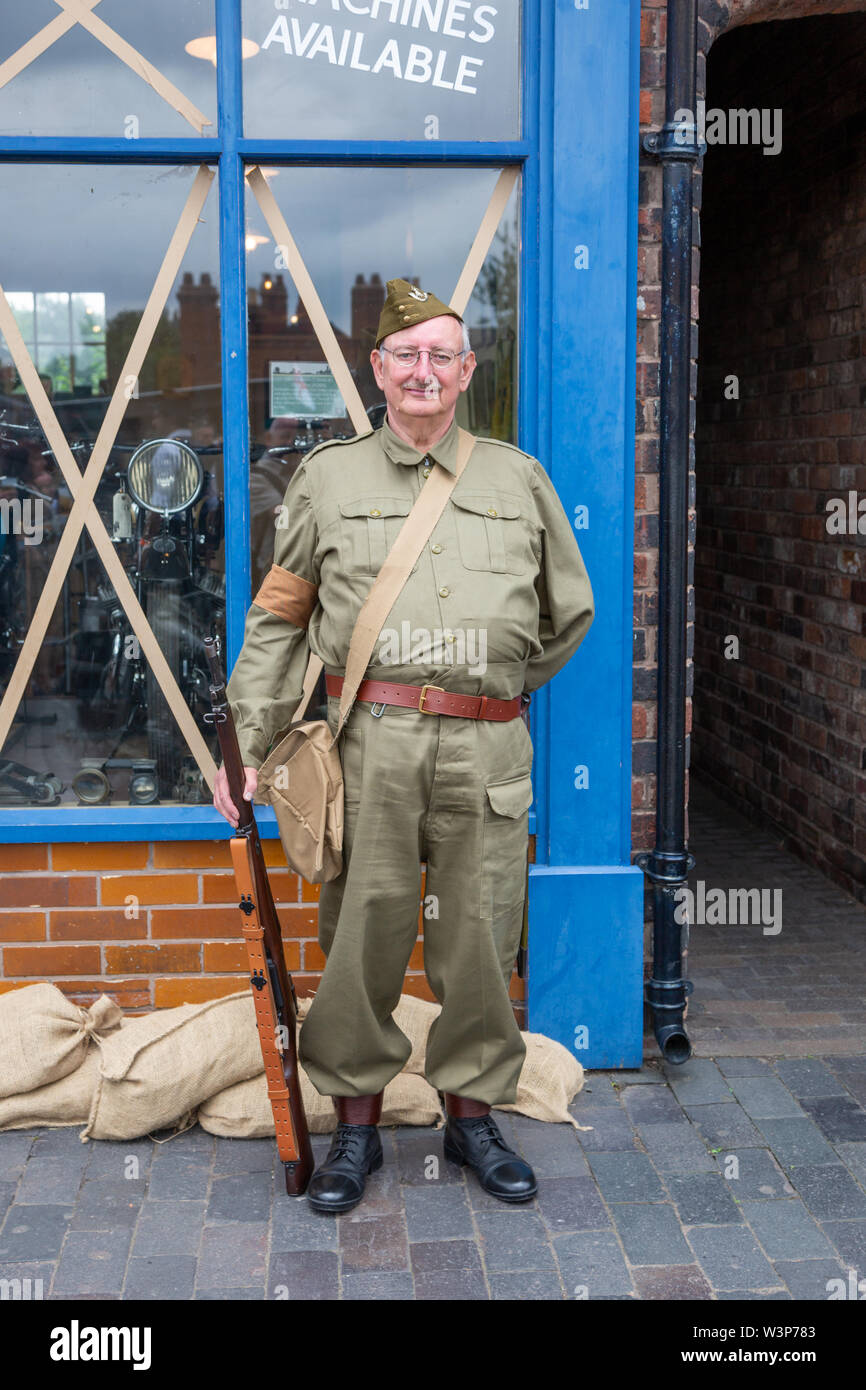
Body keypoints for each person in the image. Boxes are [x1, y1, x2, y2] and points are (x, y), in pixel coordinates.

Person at [214, 279, 594, 1214]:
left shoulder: (518, 478)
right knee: (360, 937)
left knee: (478, 937)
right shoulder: (328, 479)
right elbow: (279, 619)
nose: (423, 371)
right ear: (378, 370)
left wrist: (487, 689)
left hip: (487, 752)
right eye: (405, 355)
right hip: (368, 747)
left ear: (466, 372)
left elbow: (567, 613)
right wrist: (246, 747)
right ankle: (355, 1133)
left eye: (442, 355)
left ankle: (471, 1120)